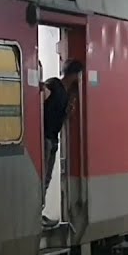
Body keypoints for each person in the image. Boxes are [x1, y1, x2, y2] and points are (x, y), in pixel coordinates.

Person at [41, 59, 83, 227]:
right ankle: (36, 215)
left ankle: (39, 211)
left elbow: (62, 120)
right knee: (42, 178)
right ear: (74, 74)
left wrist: (68, 112)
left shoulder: (66, 94)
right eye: (79, 75)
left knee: (46, 178)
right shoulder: (54, 85)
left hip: (53, 139)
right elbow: (41, 99)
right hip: (44, 138)